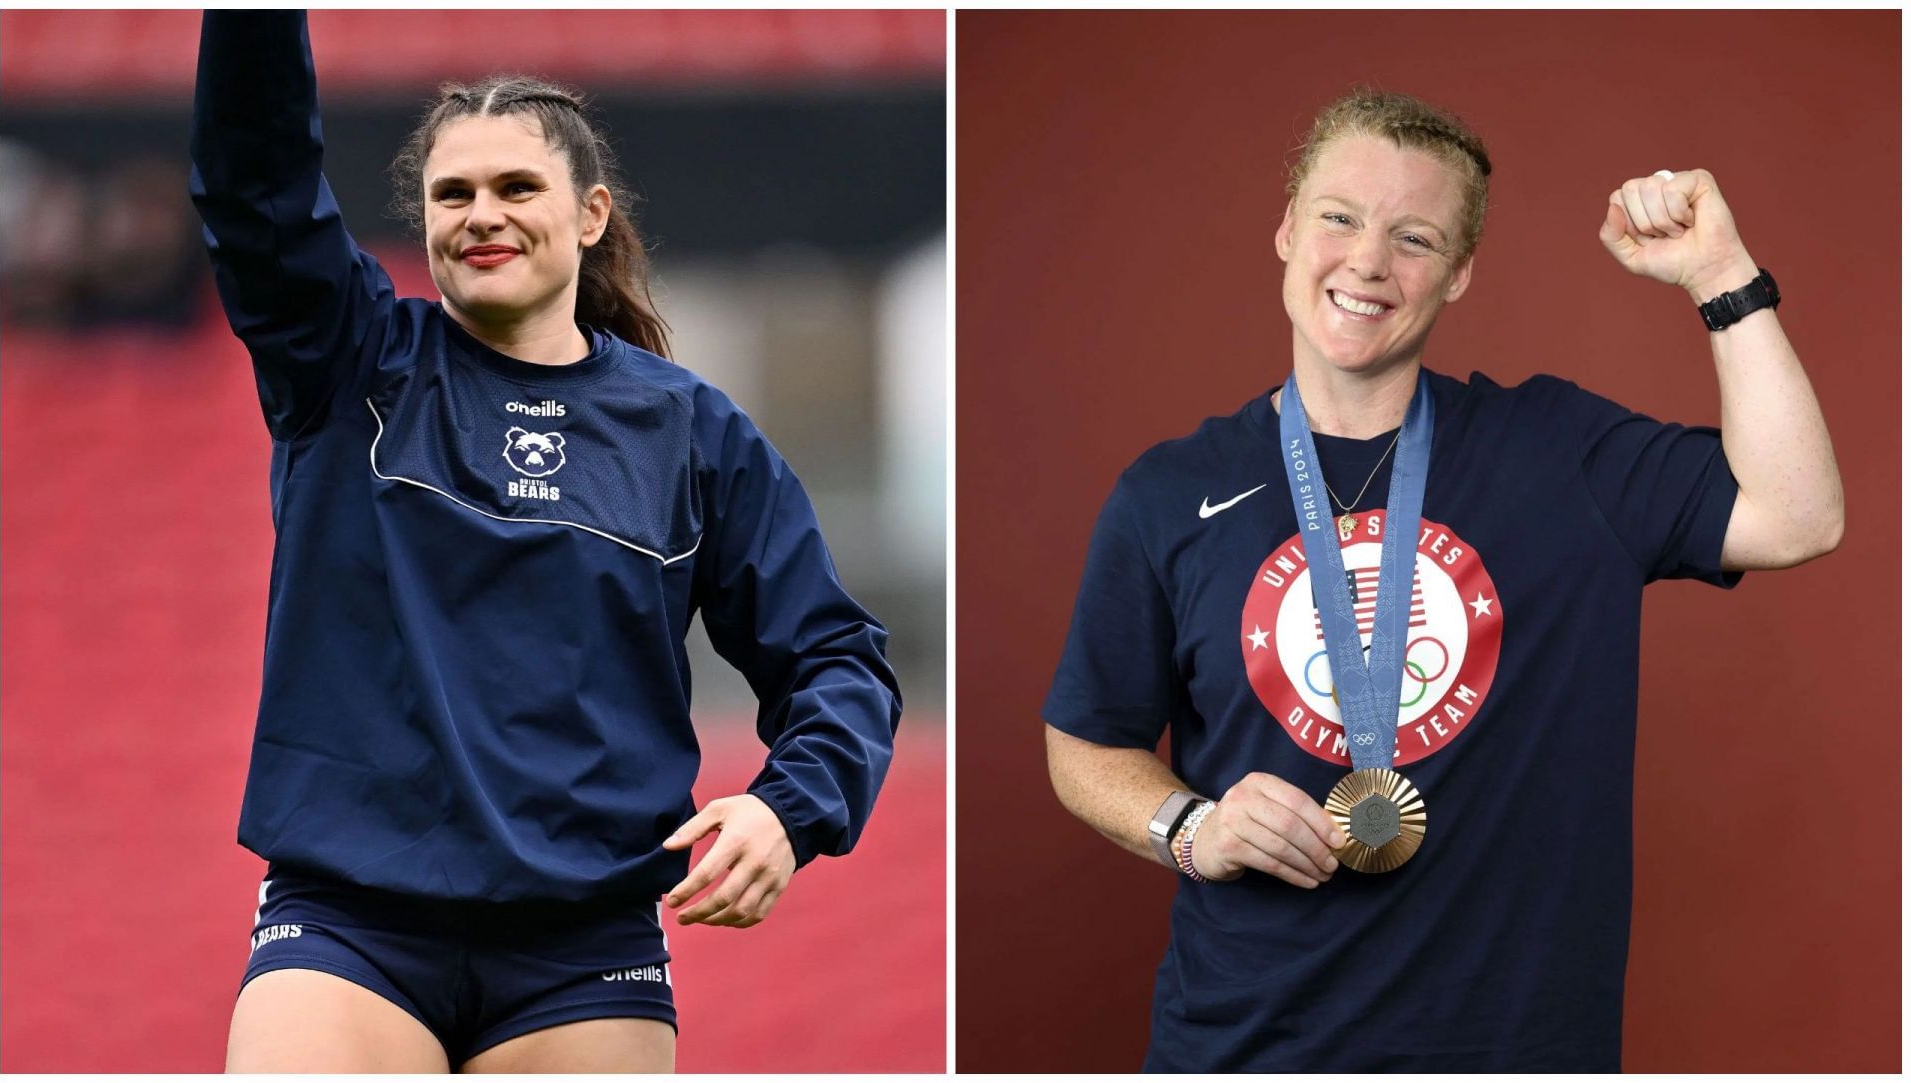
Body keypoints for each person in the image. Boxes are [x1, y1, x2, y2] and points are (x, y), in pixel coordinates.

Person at [1043, 87, 1839, 1072]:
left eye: (1413, 237)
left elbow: (1802, 516)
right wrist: (1190, 827)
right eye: (1339, 218)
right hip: (1248, 1049)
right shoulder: (1171, 492)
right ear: (1289, 231)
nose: (1369, 261)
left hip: (1514, 1051)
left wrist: (1722, 276)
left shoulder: (1558, 454)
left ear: (1459, 275)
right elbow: (1085, 740)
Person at [190, 11, 901, 1073]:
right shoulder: (349, 360)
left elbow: (837, 661)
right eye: (453, 194)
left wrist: (788, 812)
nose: (484, 215)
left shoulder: (695, 435)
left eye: (517, 188)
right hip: (349, 927)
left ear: (590, 214)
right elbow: (255, 180)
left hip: (584, 953)